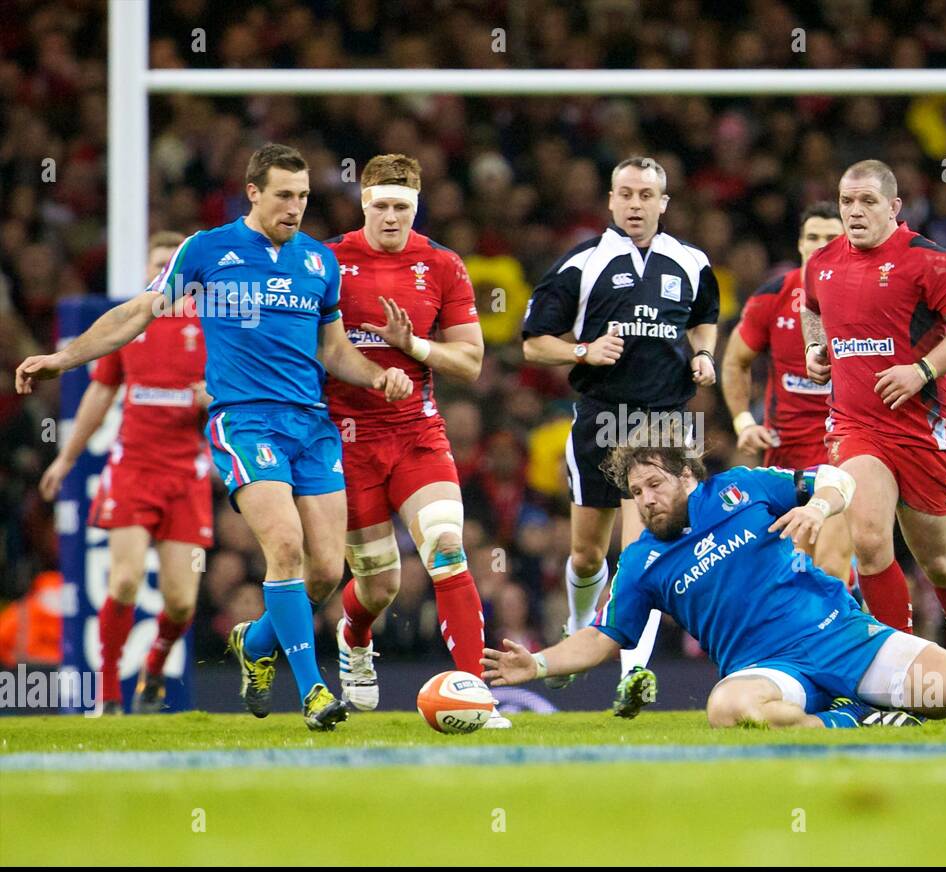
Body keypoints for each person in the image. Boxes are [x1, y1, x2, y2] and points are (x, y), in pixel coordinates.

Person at [17, 143, 413, 731]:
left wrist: (380, 374)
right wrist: (65, 357)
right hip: (246, 421)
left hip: (311, 426)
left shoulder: (317, 263)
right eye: (283, 195)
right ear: (252, 192)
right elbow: (139, 311)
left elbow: (333, 351)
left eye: (303, 197)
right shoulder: (207, 250)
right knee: (284, 547)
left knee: (328, 570)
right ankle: (311, 694)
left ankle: (254, 645)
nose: (295, 207)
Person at [482, 430, 946, 728]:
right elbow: (601, 637)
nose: (647, 499)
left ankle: (852, 704)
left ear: (686, 475)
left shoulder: (742, 487)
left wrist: (817, 509)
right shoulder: (640, 562)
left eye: (655, 484)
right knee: (728, 709)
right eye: (636, 492)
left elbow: (837, 477)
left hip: (839, 633)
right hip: (766, 667)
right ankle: (853, 719)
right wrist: (539, 664)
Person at [521, 156, 719, 717]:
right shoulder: (583, 264)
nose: (635, 204)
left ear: (664, 203)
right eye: (625, 194)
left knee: (645, 551)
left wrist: (704, 355)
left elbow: (705, 319)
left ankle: (635, 675)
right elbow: (534, 342)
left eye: (646, 195)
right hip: (601, 419)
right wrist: (582, 350)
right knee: (587, 556)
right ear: (610, 200)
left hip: (663, 424)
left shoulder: (691, 262)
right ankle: (579, 631)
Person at [801, 160, 946, 716]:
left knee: (940, 561)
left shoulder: (928, 261)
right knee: (866, 537)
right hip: (857, 425)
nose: (855, 212)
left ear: (894, 207)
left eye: (867, 202)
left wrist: (923, 371)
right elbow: (812, 309)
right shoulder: (823, 264)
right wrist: (818, 352)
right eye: (846, 202)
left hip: (922, 430)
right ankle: (900, 682)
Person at [323, 153, 508, 727]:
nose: (390, 217)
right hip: (346, 438)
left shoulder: (443, 264)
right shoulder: (325, 261)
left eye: (401, 207)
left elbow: (471, 361)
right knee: (379, 585)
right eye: (380, 206)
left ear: (416, 207)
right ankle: (354, 636)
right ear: (363, 204)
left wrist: (416, 347)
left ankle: (476, 694)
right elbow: (311, 347)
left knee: (447, 549)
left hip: (415, 432)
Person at [37, 232, 210, 714]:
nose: (167, 277)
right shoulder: (131, 325)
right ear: (149, 274)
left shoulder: (211, 329)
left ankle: (153, 670)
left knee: (180, 604)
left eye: (172, 267)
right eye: (158, 265)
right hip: (132, 466)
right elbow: (99, 393)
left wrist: (211, 401)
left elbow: (233, 398)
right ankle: (109, 694)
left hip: (186, 474)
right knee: (126, 581)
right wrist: (67, 458)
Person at [720, 201, 852, 585]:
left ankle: (837, 634)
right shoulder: (773, 295)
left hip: (844, 450)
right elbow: (734, 361)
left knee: (829, 566)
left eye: (831, 238)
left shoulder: (870, 296)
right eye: (813, 237)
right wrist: (744, 421)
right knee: (792, 570)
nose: (820, 245)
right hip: (786, 455)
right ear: (799, 244)